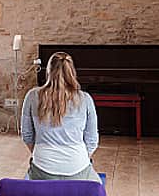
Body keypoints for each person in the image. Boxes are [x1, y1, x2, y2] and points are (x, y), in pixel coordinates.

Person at [20, 51, 101, 182]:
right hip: (77, 168)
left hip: (42, 168)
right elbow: (92, 140)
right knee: (97, 188)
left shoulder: (32, 96)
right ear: (72, 72)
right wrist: (77, 159)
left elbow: (27, 135)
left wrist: (42, 155)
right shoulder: (85, 98)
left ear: (49, 72)